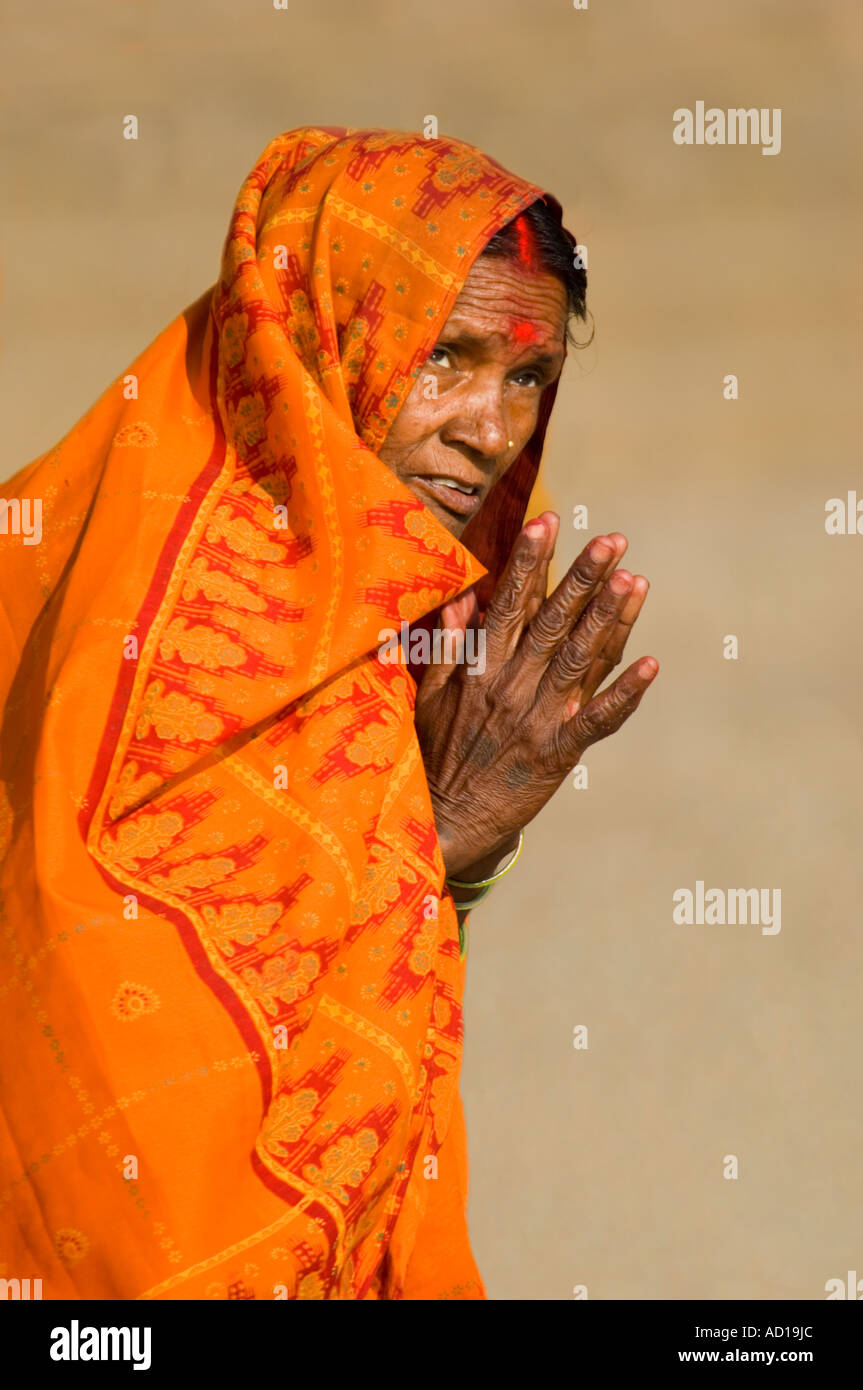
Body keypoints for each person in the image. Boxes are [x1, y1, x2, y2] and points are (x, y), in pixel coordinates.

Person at [0, 126, 657, 1300]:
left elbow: (348, 1012)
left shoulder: (384, 609)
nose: (489, 431)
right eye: (441, 358)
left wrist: (449, 859)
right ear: (318, 335)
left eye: (525, 377)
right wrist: (441, 843)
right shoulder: (172, 636)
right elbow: (142, 1153)